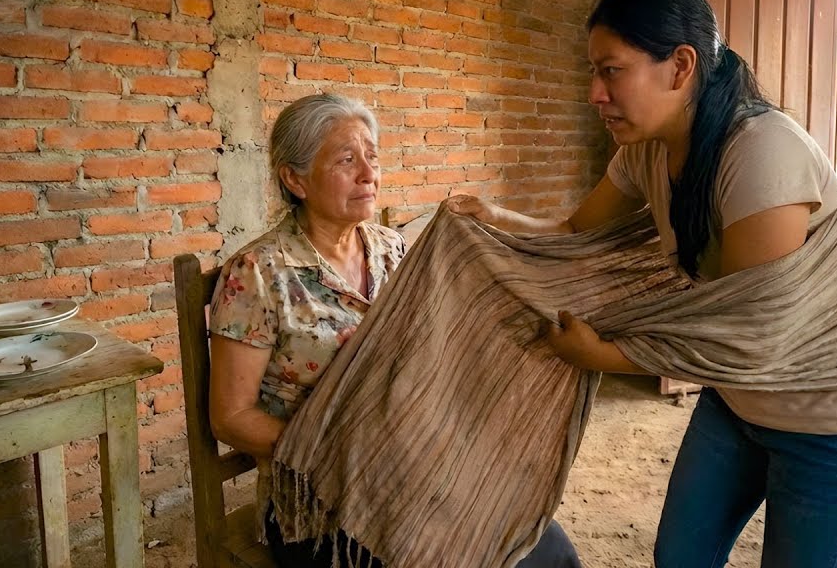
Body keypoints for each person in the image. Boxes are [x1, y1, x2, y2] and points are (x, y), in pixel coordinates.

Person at [448, 0, 837, 568]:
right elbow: (578, 233)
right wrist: (496, 219)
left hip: (833, 415)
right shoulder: (646, 151)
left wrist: (605, 356)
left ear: (681, 66)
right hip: (738, 403)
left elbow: (752, 329)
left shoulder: (761, 150)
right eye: (593, 72)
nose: (595, 93)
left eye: (611, 70)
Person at [208, 94, 581, 567]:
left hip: (412, 468)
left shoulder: (392, 249)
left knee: (542, 548)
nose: (369, 174)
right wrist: (339, 455)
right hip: (320, 502)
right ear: (295, 179)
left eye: (372, 156)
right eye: (346, 160)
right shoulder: (258, 273)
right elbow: (231, 416)